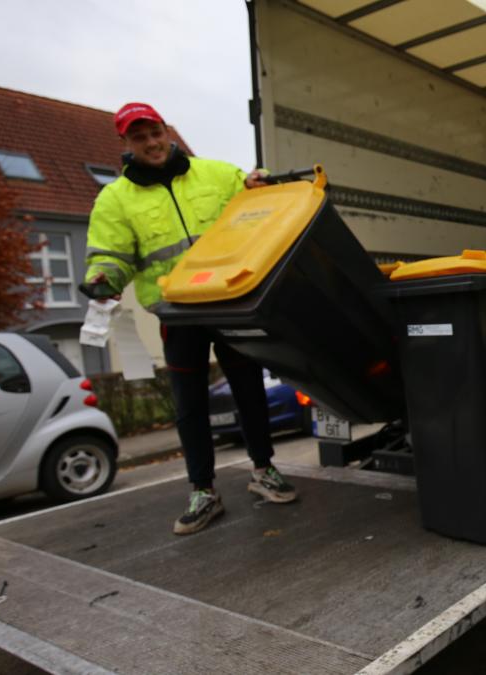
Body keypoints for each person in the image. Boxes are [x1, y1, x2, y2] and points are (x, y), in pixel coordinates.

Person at [84, 102, 296, 535]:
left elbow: (251, 190)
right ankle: (203, 491)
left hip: (230, 300)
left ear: (167, 131)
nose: (151, 143)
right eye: (139, 137)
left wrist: (257, 182)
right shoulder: (115, 199)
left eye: (155, 132)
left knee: (249, 389)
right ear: (126, 143)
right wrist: (102, 277)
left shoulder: (214, 173)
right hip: (177, 312)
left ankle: (263, 470)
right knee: (190, 405)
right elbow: (111, 254)